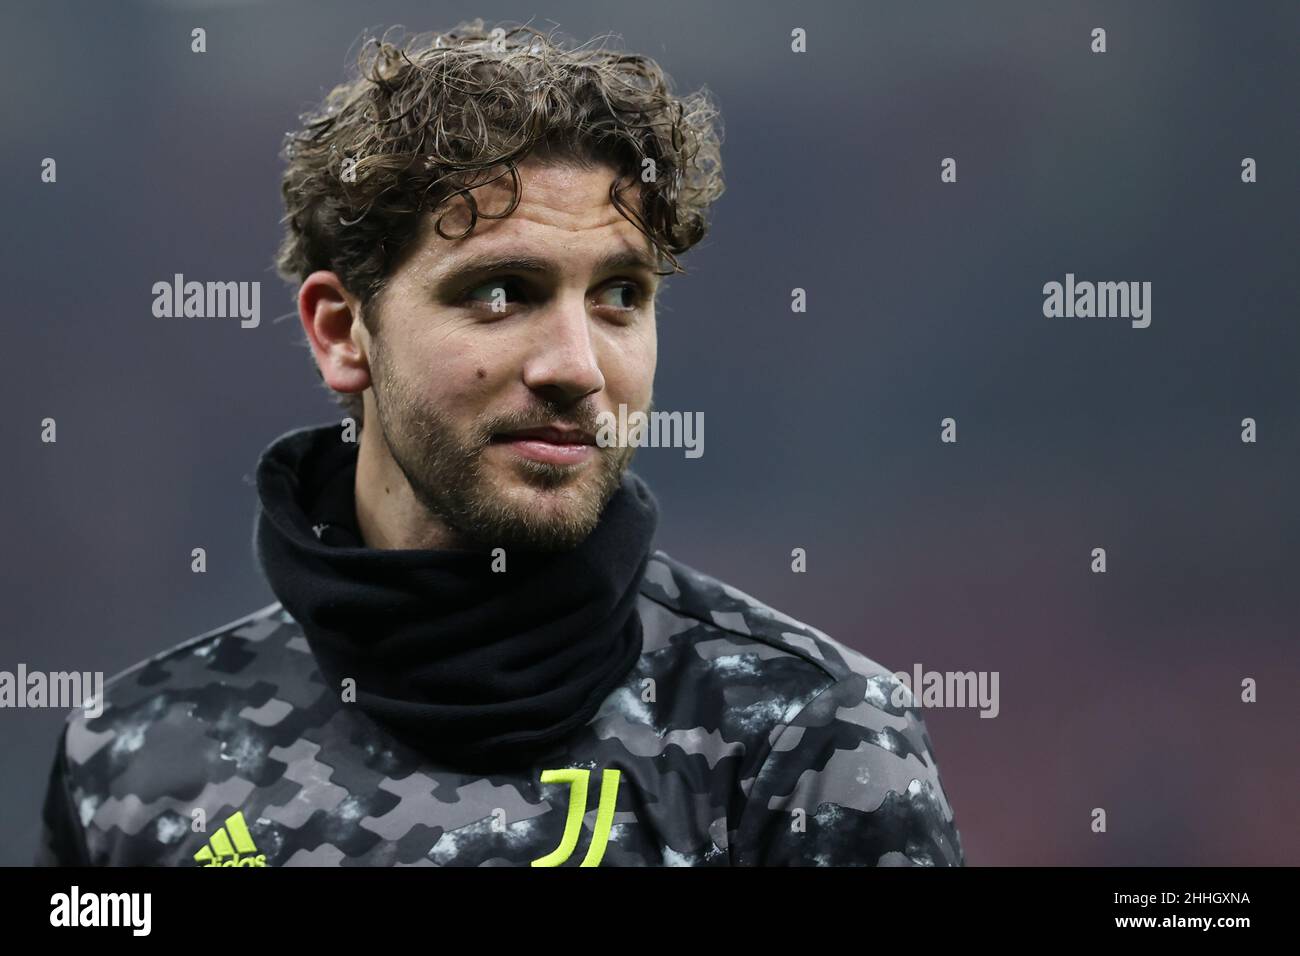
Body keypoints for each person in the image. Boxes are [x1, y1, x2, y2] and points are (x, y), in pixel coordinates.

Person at [35, 20, 964, 867]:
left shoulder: (807, 739)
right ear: (340, 330)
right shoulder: (132, 757)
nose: (576, 366)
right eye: (500, 291)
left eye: (620, 296)